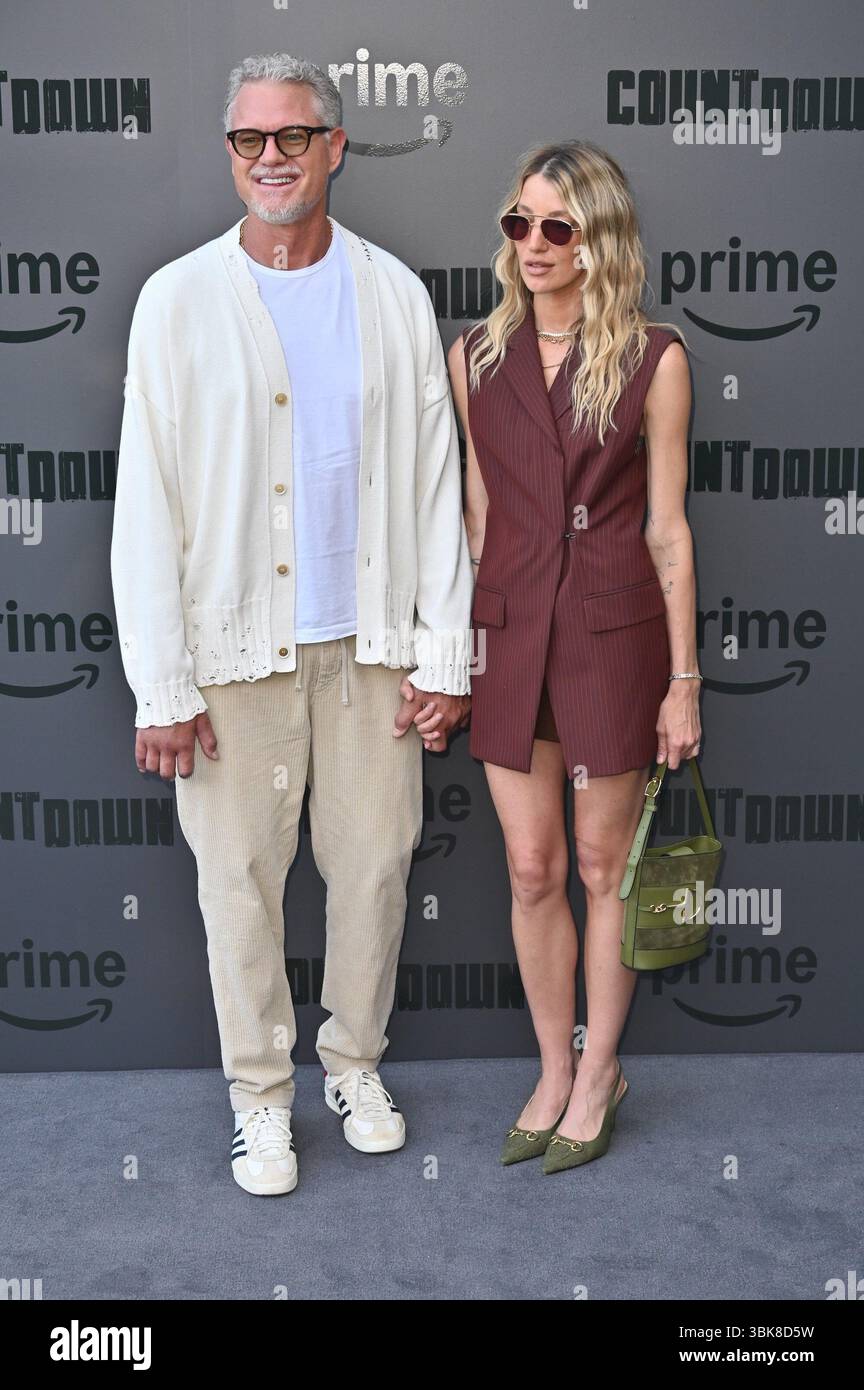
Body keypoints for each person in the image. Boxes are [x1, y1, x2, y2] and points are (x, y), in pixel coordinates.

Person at [110, 53, 472, 1197]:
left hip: (370, 649)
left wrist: (446, 651)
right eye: (250, 140)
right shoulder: (176, 301)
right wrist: (161, 687)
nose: (272, 157)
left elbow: (434, 492)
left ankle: (354, 1066)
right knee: (239, 887)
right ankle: (260, 1099)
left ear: (335, 147)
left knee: (373, 870)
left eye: (294, 136)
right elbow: (145, 505)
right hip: (232, 658)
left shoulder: (394, 295)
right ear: (230, 154)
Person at [447, 140, 701, 1175]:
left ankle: (600, 1072)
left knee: (603, 867)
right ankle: (553, 1067)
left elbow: (669, 531)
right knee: (531, 864)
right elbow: (474, 519)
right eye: (521, 224)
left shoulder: (654, 358)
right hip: (509, 638)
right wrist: (449, 651)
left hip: (609, 640)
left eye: (560, 227)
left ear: (601, 239)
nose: (536, 245)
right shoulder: (474, 356)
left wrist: (684, 683)